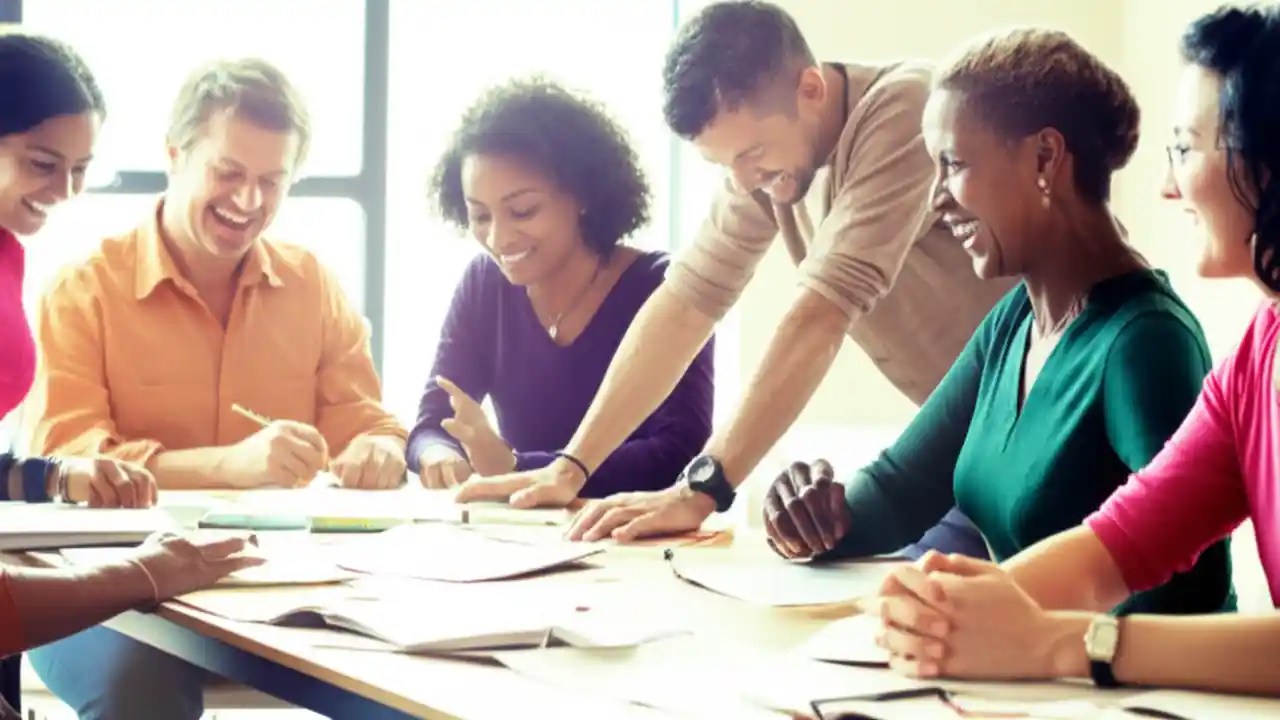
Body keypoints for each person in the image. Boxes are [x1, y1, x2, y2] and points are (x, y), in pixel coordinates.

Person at [457, 0, 1012, 553]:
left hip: (1056, 427)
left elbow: (821, 312)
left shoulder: (906, 107)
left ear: (811, 91)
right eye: (726, 164)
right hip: (974, 439)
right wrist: (570, 468)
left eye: (751, 153)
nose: (744, 181)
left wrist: (703, 487)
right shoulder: (767, 170)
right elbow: (686, 301)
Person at [868, 6, 1280, 696]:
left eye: (1185, 148)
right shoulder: (1257, 357)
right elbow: (1119, 543)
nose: (1168, 187)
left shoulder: (1146, 333)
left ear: (1267, 161)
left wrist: (1068, 641)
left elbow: (1147, 600)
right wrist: (956, 612)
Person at [760, 26, 1233, 622]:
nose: (936, 200)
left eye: (953, 165)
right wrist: (807, 513)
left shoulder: (1145, 342)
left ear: (1045, 158)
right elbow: (900, 492)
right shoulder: (1015, 321)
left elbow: (1189, 596)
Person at [24, 58, 406, 719]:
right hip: (107, 590)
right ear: (175, 155)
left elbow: (368, 424)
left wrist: (378, 450)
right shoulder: (84, 289)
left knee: (402, 693)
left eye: (271, 180)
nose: (249, 200)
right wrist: (228, 467)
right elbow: (70, 463)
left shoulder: (313, 284)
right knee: (137, 698)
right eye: (229, 173)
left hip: (275, 586)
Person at [0, 31, 260, 720]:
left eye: (81, 168)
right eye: (42, 163)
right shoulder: (84, 284)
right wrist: (146, 573)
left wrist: (49, 477)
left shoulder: (6, 250)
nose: (65, 192)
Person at [410, 79, 714, 494]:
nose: (499, 239)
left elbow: (677, 453)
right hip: (528, 537)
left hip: (632, 538)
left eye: (522, 210)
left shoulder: (666, 289)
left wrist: (516, 465)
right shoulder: (484, 286)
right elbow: (432, 424)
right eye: (480, 216)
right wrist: (443, 456)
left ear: (582, 194)